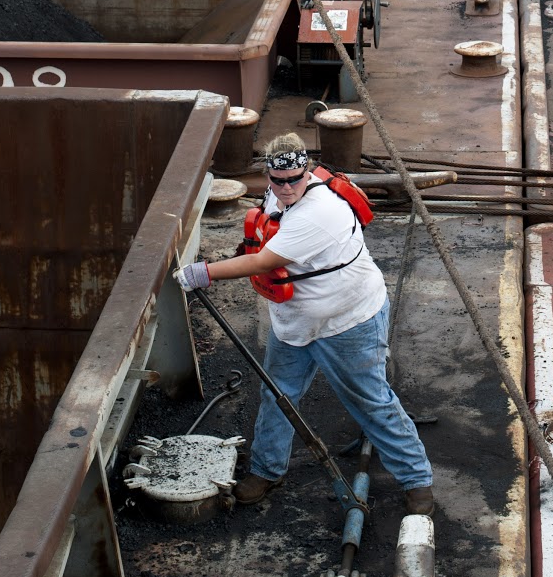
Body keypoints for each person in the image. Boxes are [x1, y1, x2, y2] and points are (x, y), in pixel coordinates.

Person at [175, 132, 434, 513]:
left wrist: (200, 272)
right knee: (277, 393)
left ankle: (417, 480)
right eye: (278, 180)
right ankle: (267, 470)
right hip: (295, 321)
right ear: (269, 175)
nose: (286, 188)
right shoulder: (278, 194)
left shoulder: (320, 212)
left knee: (371, 402)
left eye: (294, 179)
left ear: (307, 171)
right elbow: (264, 236)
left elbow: (262, 262)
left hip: (348, 322)